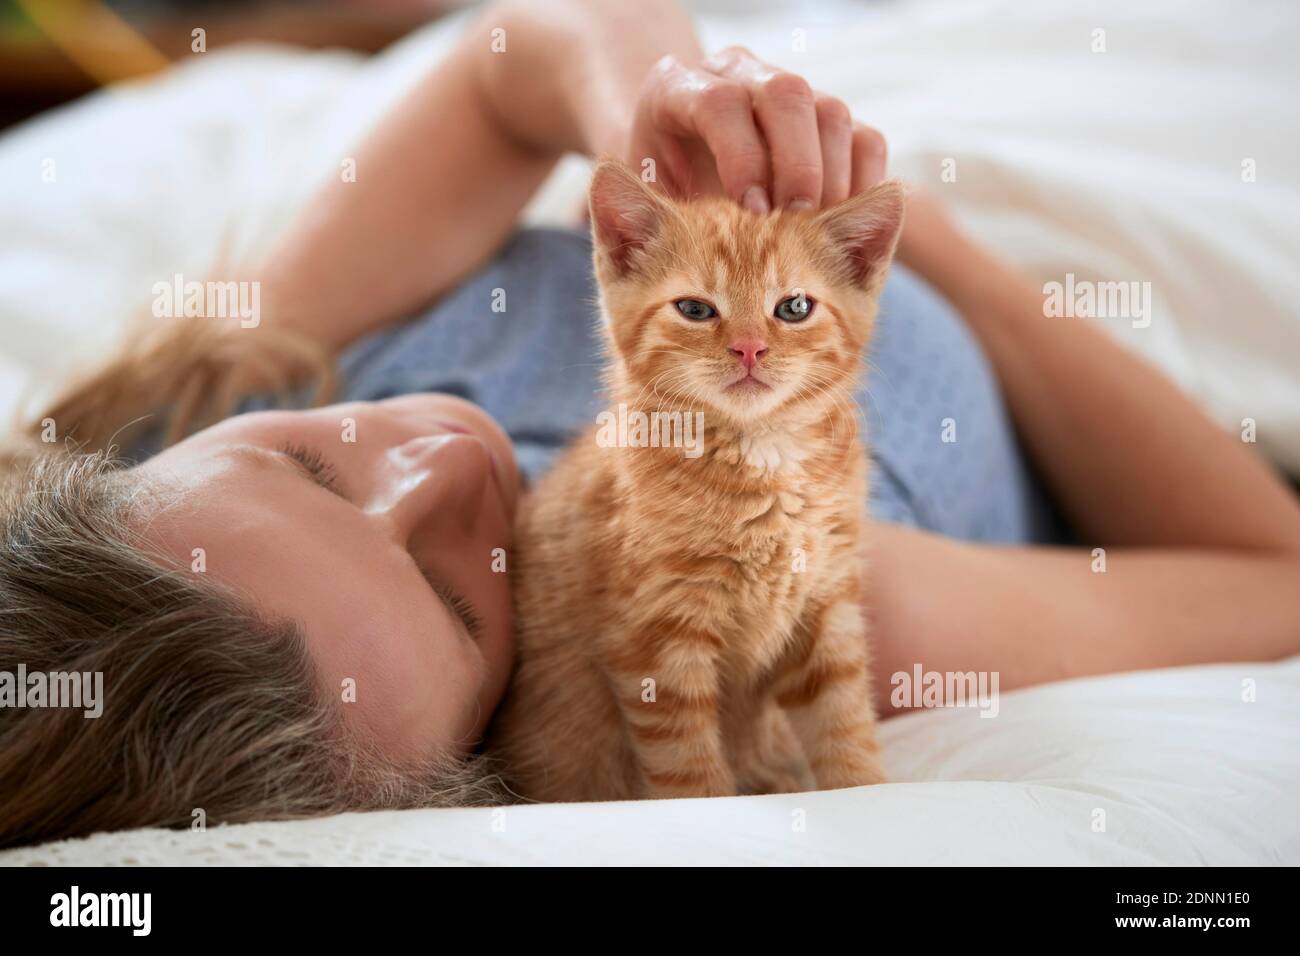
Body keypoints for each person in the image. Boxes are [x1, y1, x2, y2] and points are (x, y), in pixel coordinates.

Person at [3, 0, 1298, 849]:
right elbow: (1269, 571)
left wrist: (662, 98)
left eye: (313, 466)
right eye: (456, 597)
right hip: (998, 265)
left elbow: (508, 70)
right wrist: (925, 248)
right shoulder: (779, 596)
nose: (444, 451)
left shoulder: (197, 431)